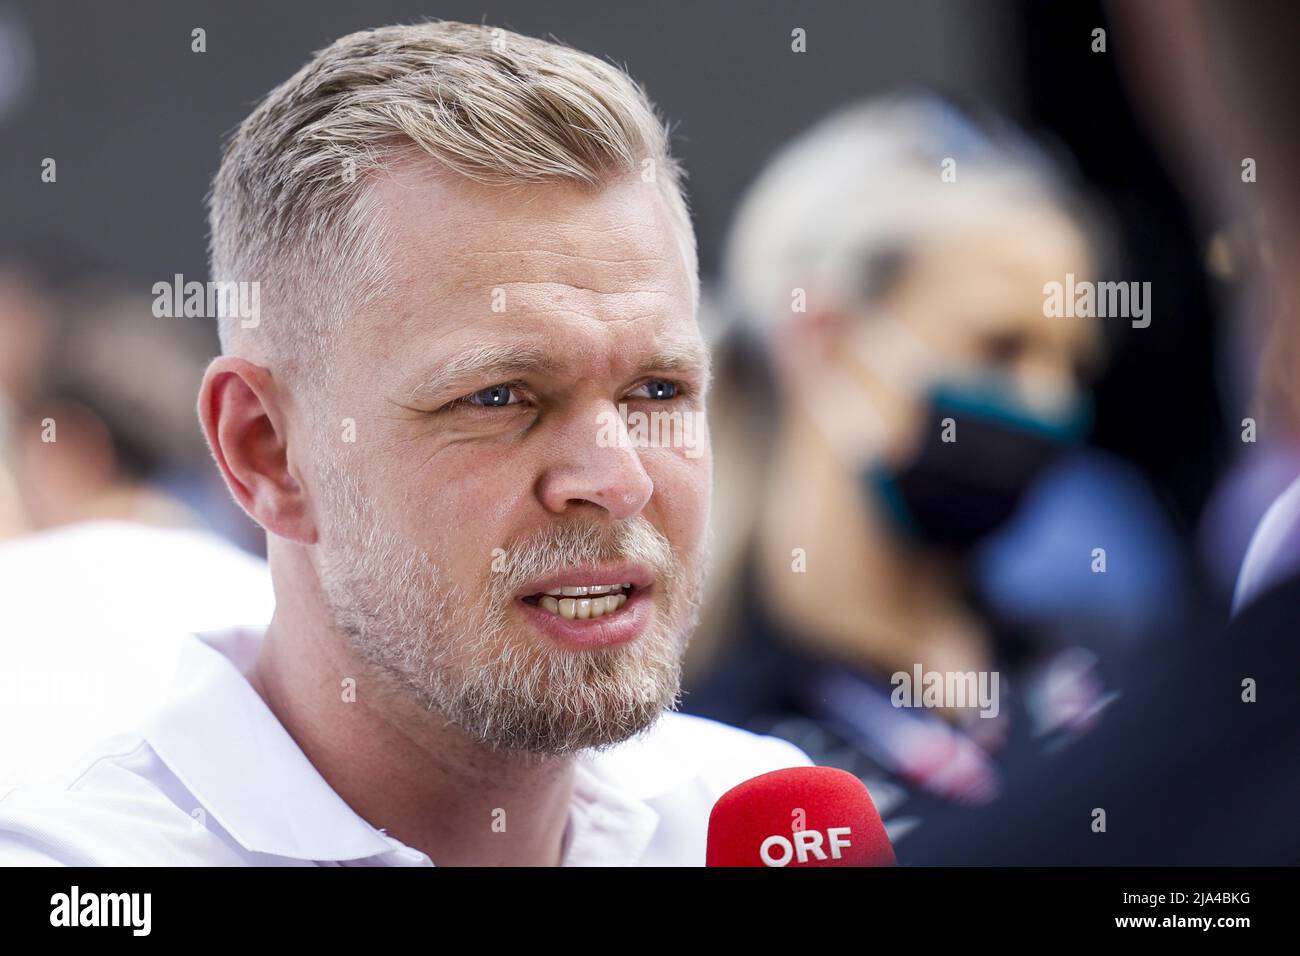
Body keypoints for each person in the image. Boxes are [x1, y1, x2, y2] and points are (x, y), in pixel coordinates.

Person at [0, 21, 810, 867]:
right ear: (265, 452)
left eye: (658, 391)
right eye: (498, 397)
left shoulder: (752, 820)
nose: (618, 478)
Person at [680, 95, 1184, 856]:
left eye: (1073, 366)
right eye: (1002, 349)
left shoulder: (1108, 668)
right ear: (822, 339)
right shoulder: (698, 747)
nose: (1050, 404)